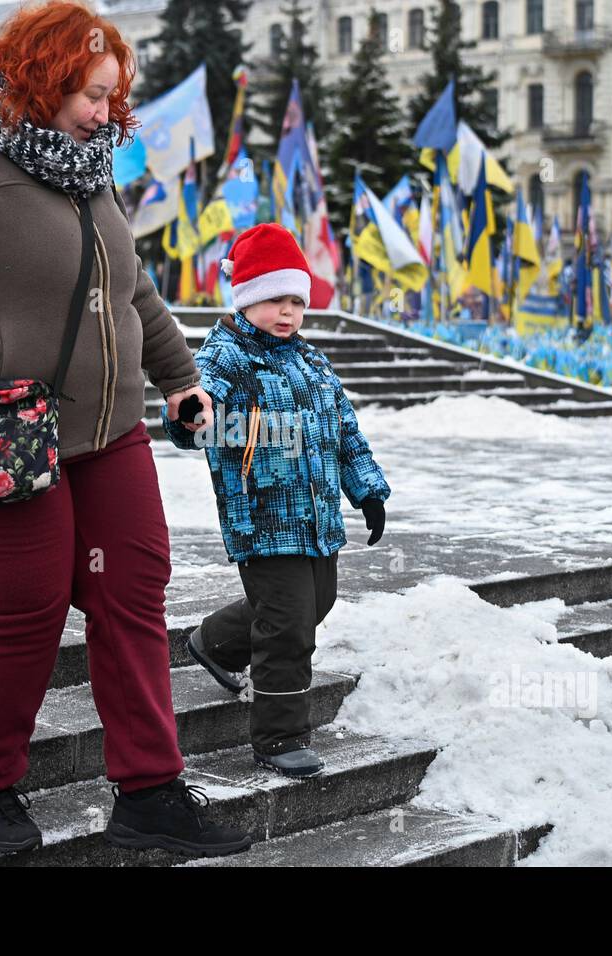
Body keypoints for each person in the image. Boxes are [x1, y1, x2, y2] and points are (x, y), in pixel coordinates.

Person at [0, 0, 249, 858]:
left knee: (132, 592)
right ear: (43, 75)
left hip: (103, 431)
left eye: (114, 96)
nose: (108, 113)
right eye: (93, 94)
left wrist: (181, 379)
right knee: (25, 606)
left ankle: (150, 792)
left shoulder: (86, 167)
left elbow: (133, 290)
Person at [161, 223, 392, 777]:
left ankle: (213, 644)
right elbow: (197, 413)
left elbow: (344, 428)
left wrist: (366, 488)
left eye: (295, 301)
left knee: (316, 604)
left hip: (316, 517)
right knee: (289, 626)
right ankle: (280, 737)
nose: (286, 312)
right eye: (271, 300)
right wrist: (195, 418)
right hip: (262, 517)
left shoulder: (311, 362)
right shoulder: (227, 355)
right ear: (246, 298)